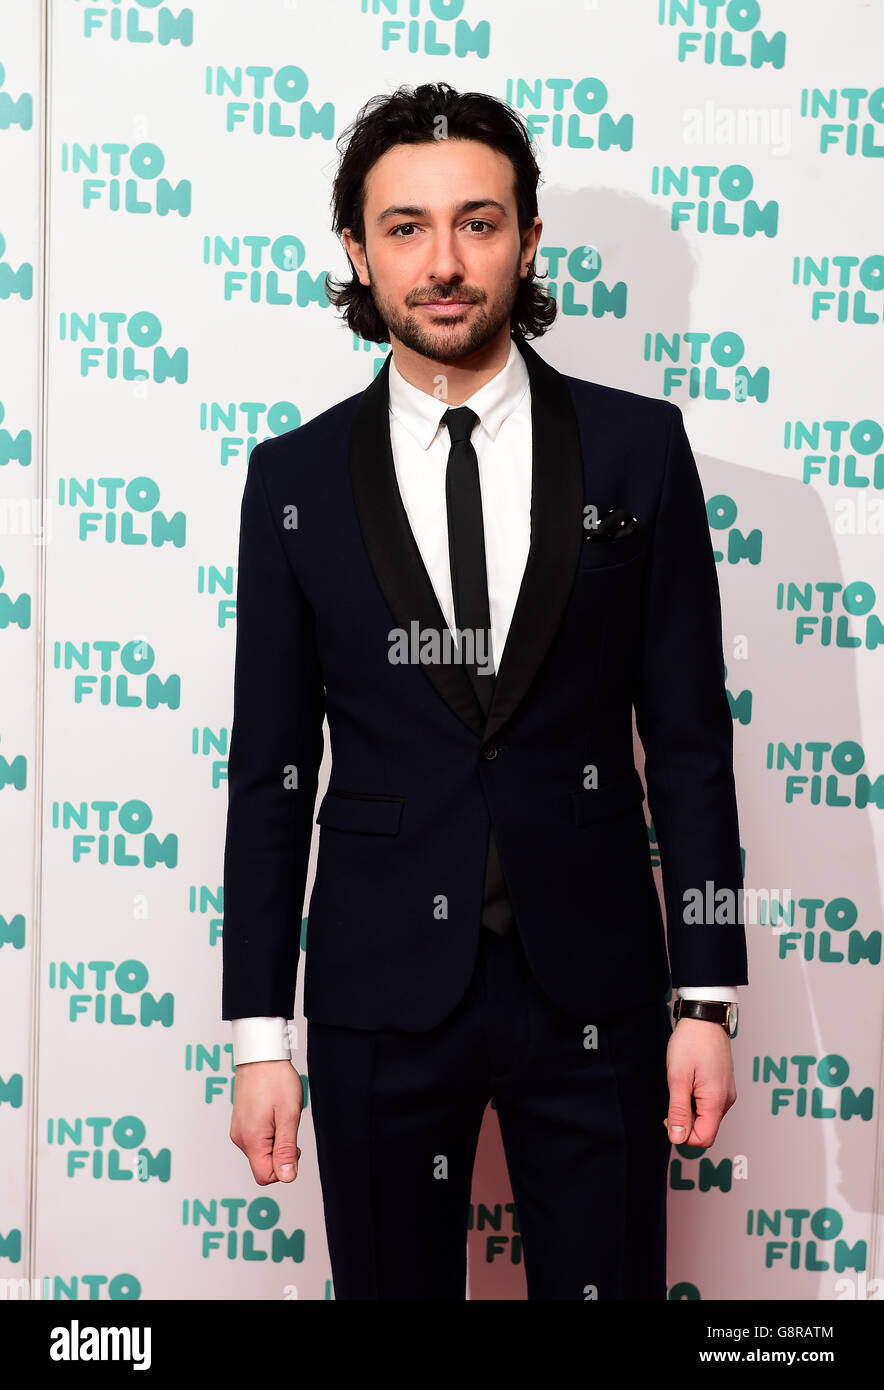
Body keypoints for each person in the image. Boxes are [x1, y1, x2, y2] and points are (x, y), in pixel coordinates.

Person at [221, 81, 747, 1300]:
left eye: (477, 222)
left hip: (599, 994)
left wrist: (705, 997)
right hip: (375, 995)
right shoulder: (291, 479)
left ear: (526, 240)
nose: (443, 261)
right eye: (404, 227)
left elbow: (685, 740)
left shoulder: (635, 449)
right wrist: (260, 1035)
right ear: (355, 250)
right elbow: (270, 770)